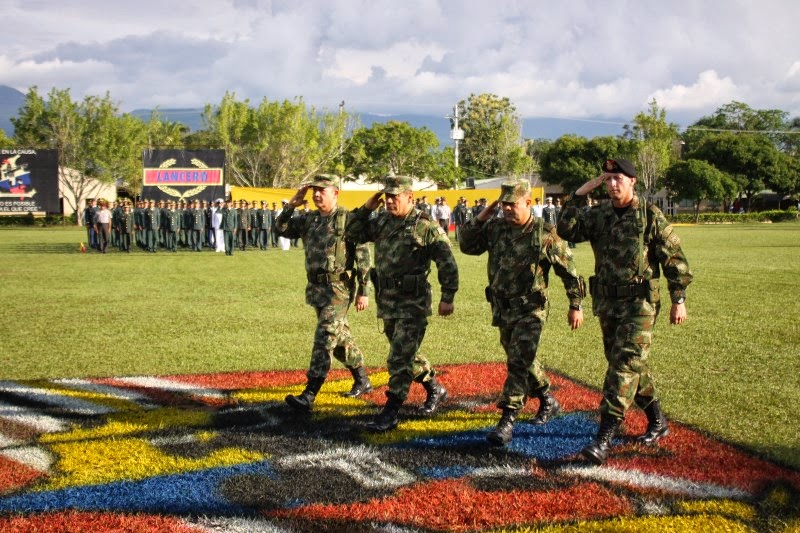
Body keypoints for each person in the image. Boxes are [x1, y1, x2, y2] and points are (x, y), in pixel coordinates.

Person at [557, 158, 693, 465]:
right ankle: (657, 419)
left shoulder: (649, 215)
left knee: (624, 364)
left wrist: (678, 298)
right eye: (608, 180)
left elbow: (674, 258)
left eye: (618, 178)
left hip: (640, 305)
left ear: (632, 181)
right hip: (607, 303)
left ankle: (604, 435)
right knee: (631, 365)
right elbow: (567, 231)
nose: (612, 184)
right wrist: (578, 196)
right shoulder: (598, 215)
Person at [460, 178, 585, 446]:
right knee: (521, 358)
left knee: (517, 362)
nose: (506, 209)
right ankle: (548, 399)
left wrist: (576, 305)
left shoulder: (545, 233)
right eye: (503, 204)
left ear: (528, 203)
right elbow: (467, 246)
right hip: (503, 308)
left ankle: (507, 419)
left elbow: (570, 273)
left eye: (512, 204)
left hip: (532, 309)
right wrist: (484, 214)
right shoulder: (495, 228)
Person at [346, 175, 457, 432]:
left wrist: (448, 296)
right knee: (405, 353)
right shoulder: (382, 220)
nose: (390, 201)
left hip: (412, 302)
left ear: (410, 197)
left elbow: (447, 261)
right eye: (387, 196)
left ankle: (392, 409)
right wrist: (368, 207)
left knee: (398, 357)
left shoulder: (425, 225)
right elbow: (351, 231)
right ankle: (434, 388)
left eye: (395, 197)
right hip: (387, 301)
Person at [276, 174, 374, 412]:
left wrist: (363, 290)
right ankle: (362, 379)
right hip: (316, 289)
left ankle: (310, 393)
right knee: (339, 338)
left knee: (324, 338)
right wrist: (291, 205)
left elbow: (362, 255)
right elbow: (280, 229)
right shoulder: (309, 219)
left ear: (335, 193)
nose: (317, 194)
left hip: (338, 290)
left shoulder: (346, 219)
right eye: (314, 191)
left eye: (322, 190)